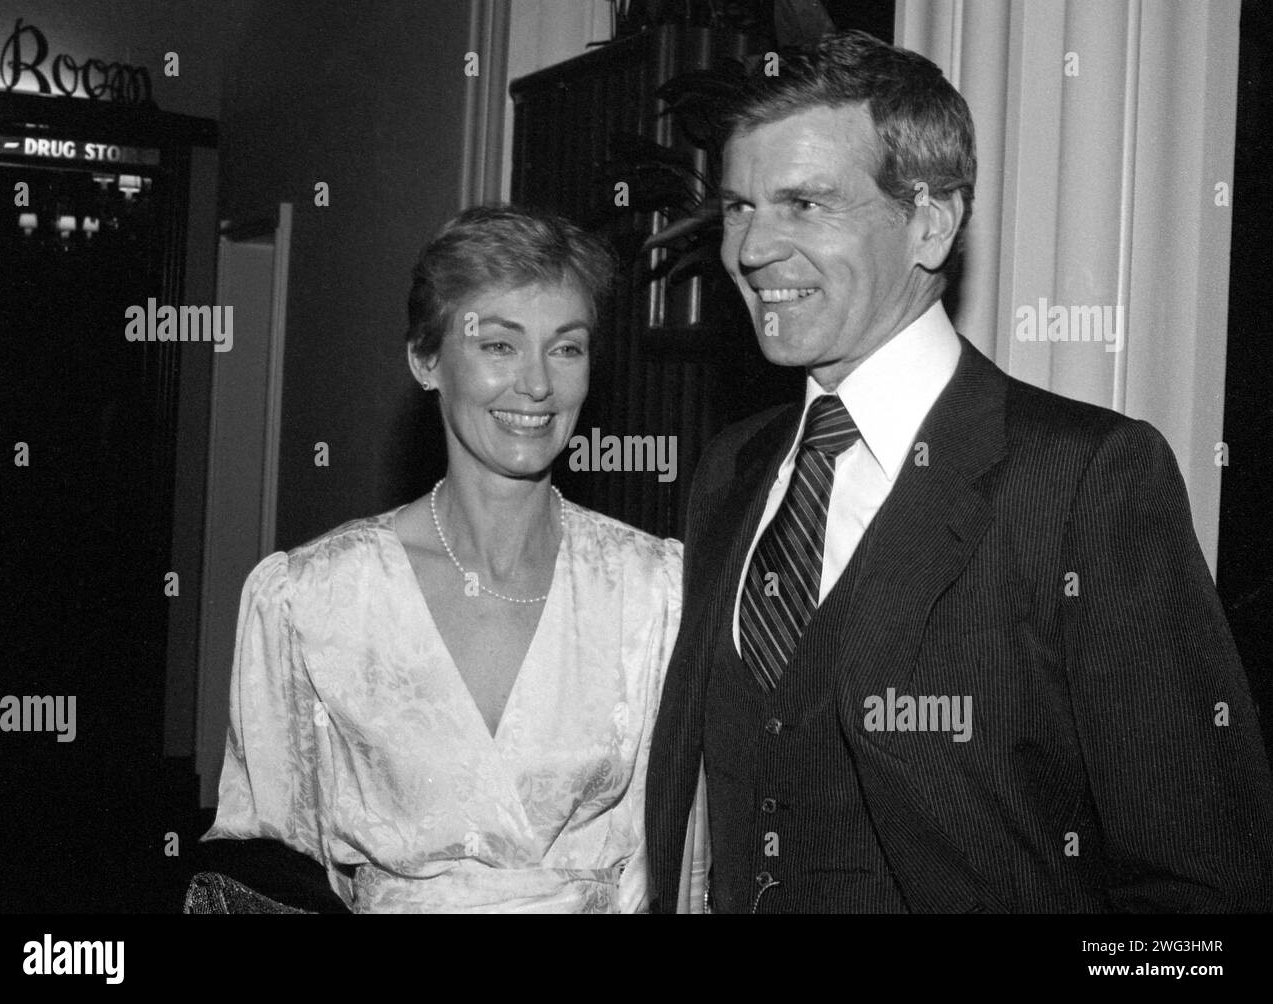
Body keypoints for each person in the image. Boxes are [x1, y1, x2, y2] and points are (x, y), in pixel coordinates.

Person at [645, 31, 1273, 913]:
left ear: (930, 222)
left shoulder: (1085, 479)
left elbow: (1207, 893)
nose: (752, 249)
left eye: (806, 205)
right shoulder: (733, 470)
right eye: (742, 207)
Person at [204, 205, 703, 913]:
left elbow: (680, 867)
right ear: (426, 360)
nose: (537, 385)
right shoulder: (313, 597)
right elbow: (268, 877)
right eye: (499, 346)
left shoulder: (653, 588)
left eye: (566, 348)